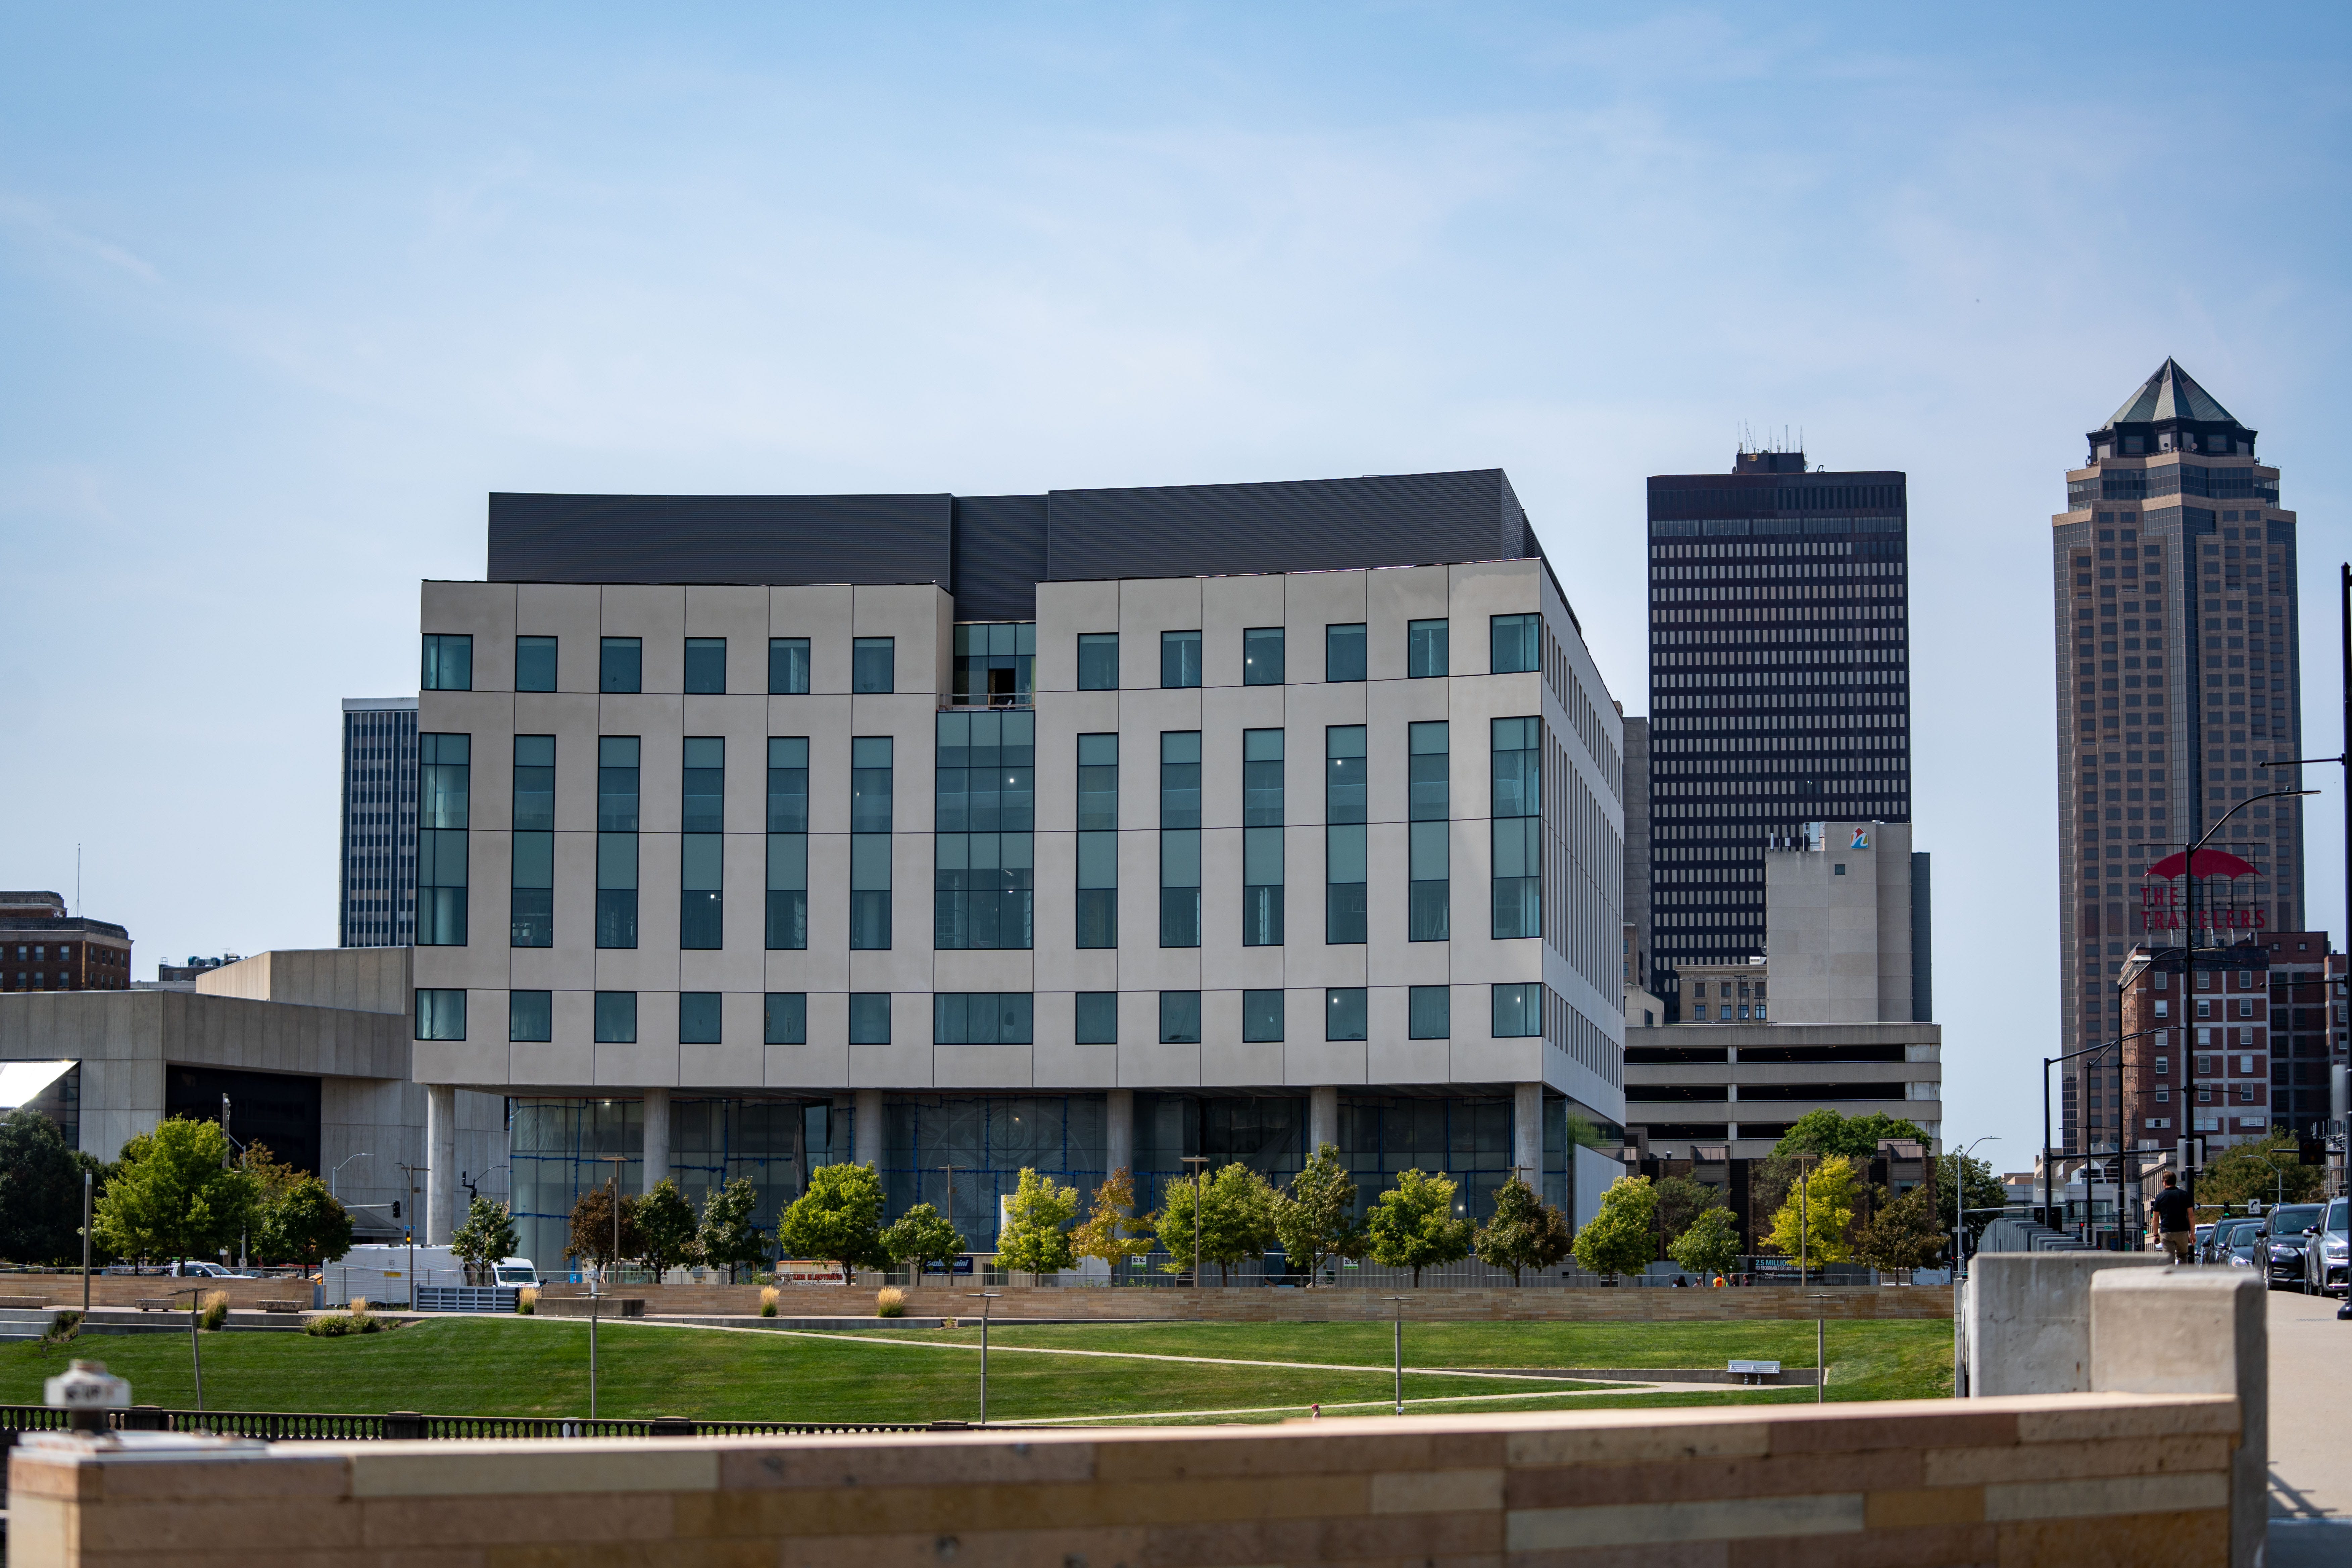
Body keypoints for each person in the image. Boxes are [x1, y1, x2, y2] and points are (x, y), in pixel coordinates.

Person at [2149, 1174, 2196, 1264]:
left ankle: (2170, 1276)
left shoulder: (2160, 1197)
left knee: (2169, 1258)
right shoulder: (2184, 1195)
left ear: (2165, 1182)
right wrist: (2192, 1234)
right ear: (2175, 1182)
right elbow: (2191, 1216)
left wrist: (2156, 1235)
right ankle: (2182, 1276)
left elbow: (2155, 1218)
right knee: (2183, 1256)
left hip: (2167, 1233)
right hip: (2182, 1232)